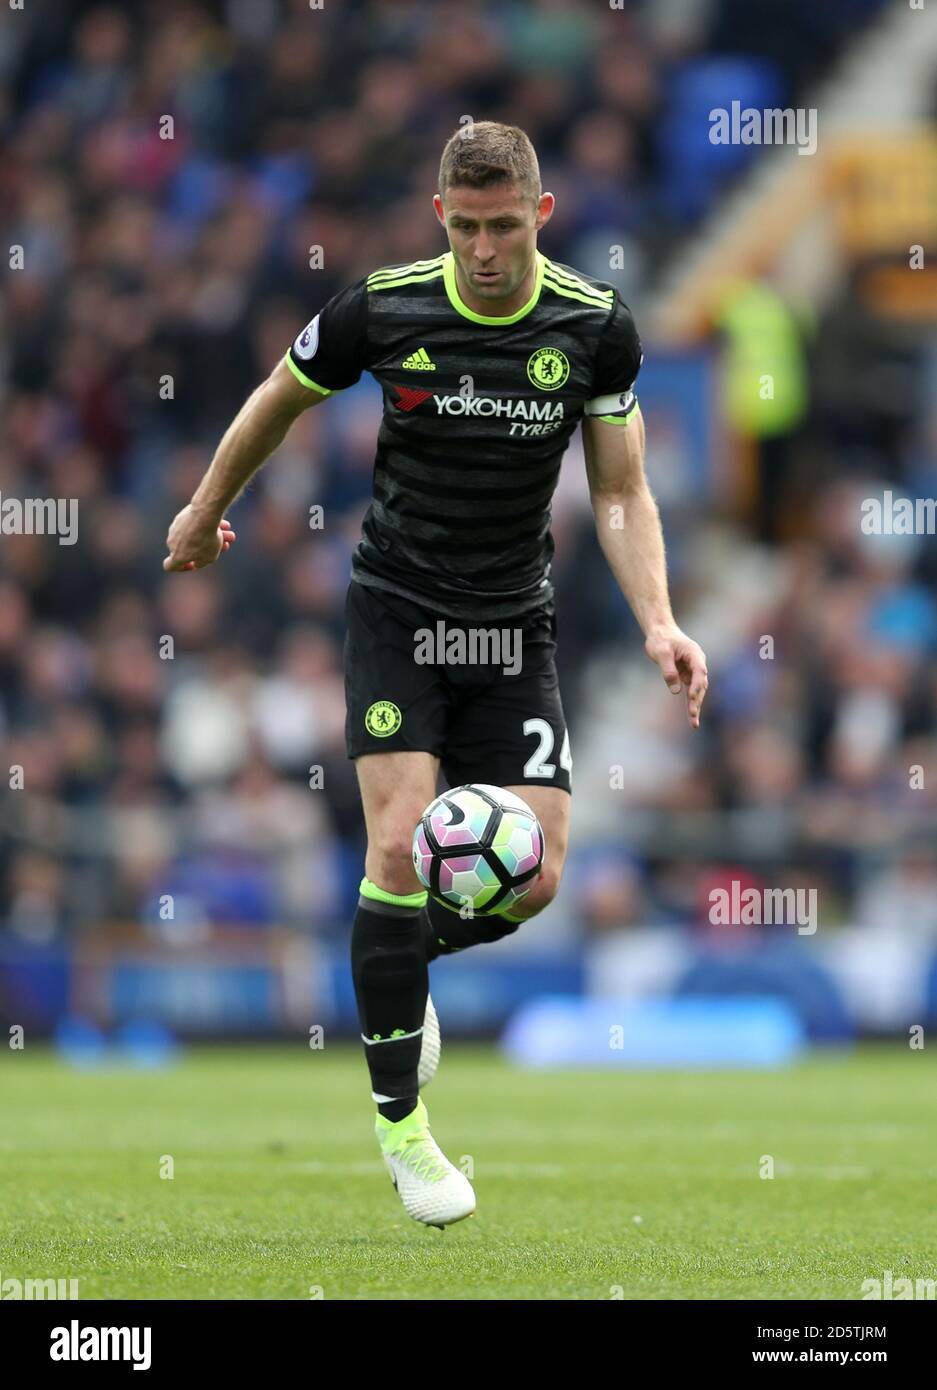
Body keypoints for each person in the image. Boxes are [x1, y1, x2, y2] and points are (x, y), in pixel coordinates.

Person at [163, 121, 708, 1229]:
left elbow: (618, 491)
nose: (485, 250)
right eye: (465, 228)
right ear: (439, 217)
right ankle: (403, 1128)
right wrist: (206, 507)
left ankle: (394, 975)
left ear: (541, 217)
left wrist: (658, 620)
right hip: (398, 610)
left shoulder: (594, 327)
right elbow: (280, 394)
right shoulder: (386, 305)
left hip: (514, 624)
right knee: (398, 840)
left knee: (540, 875)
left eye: (504, 226)